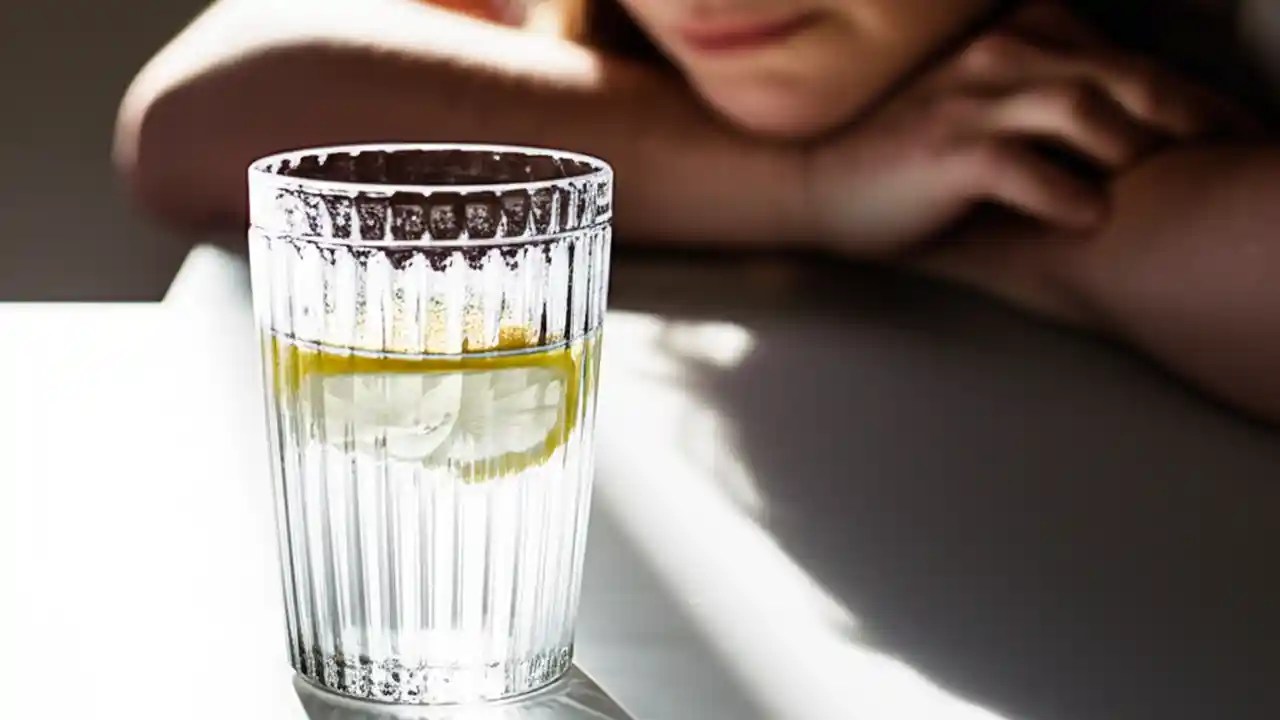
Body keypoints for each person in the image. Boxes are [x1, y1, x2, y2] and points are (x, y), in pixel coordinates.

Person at [115, 0, 1280, 422]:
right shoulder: (572, 29)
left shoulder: (1129, 87)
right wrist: (811, 190)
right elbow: (197, 116)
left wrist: (984, 221)